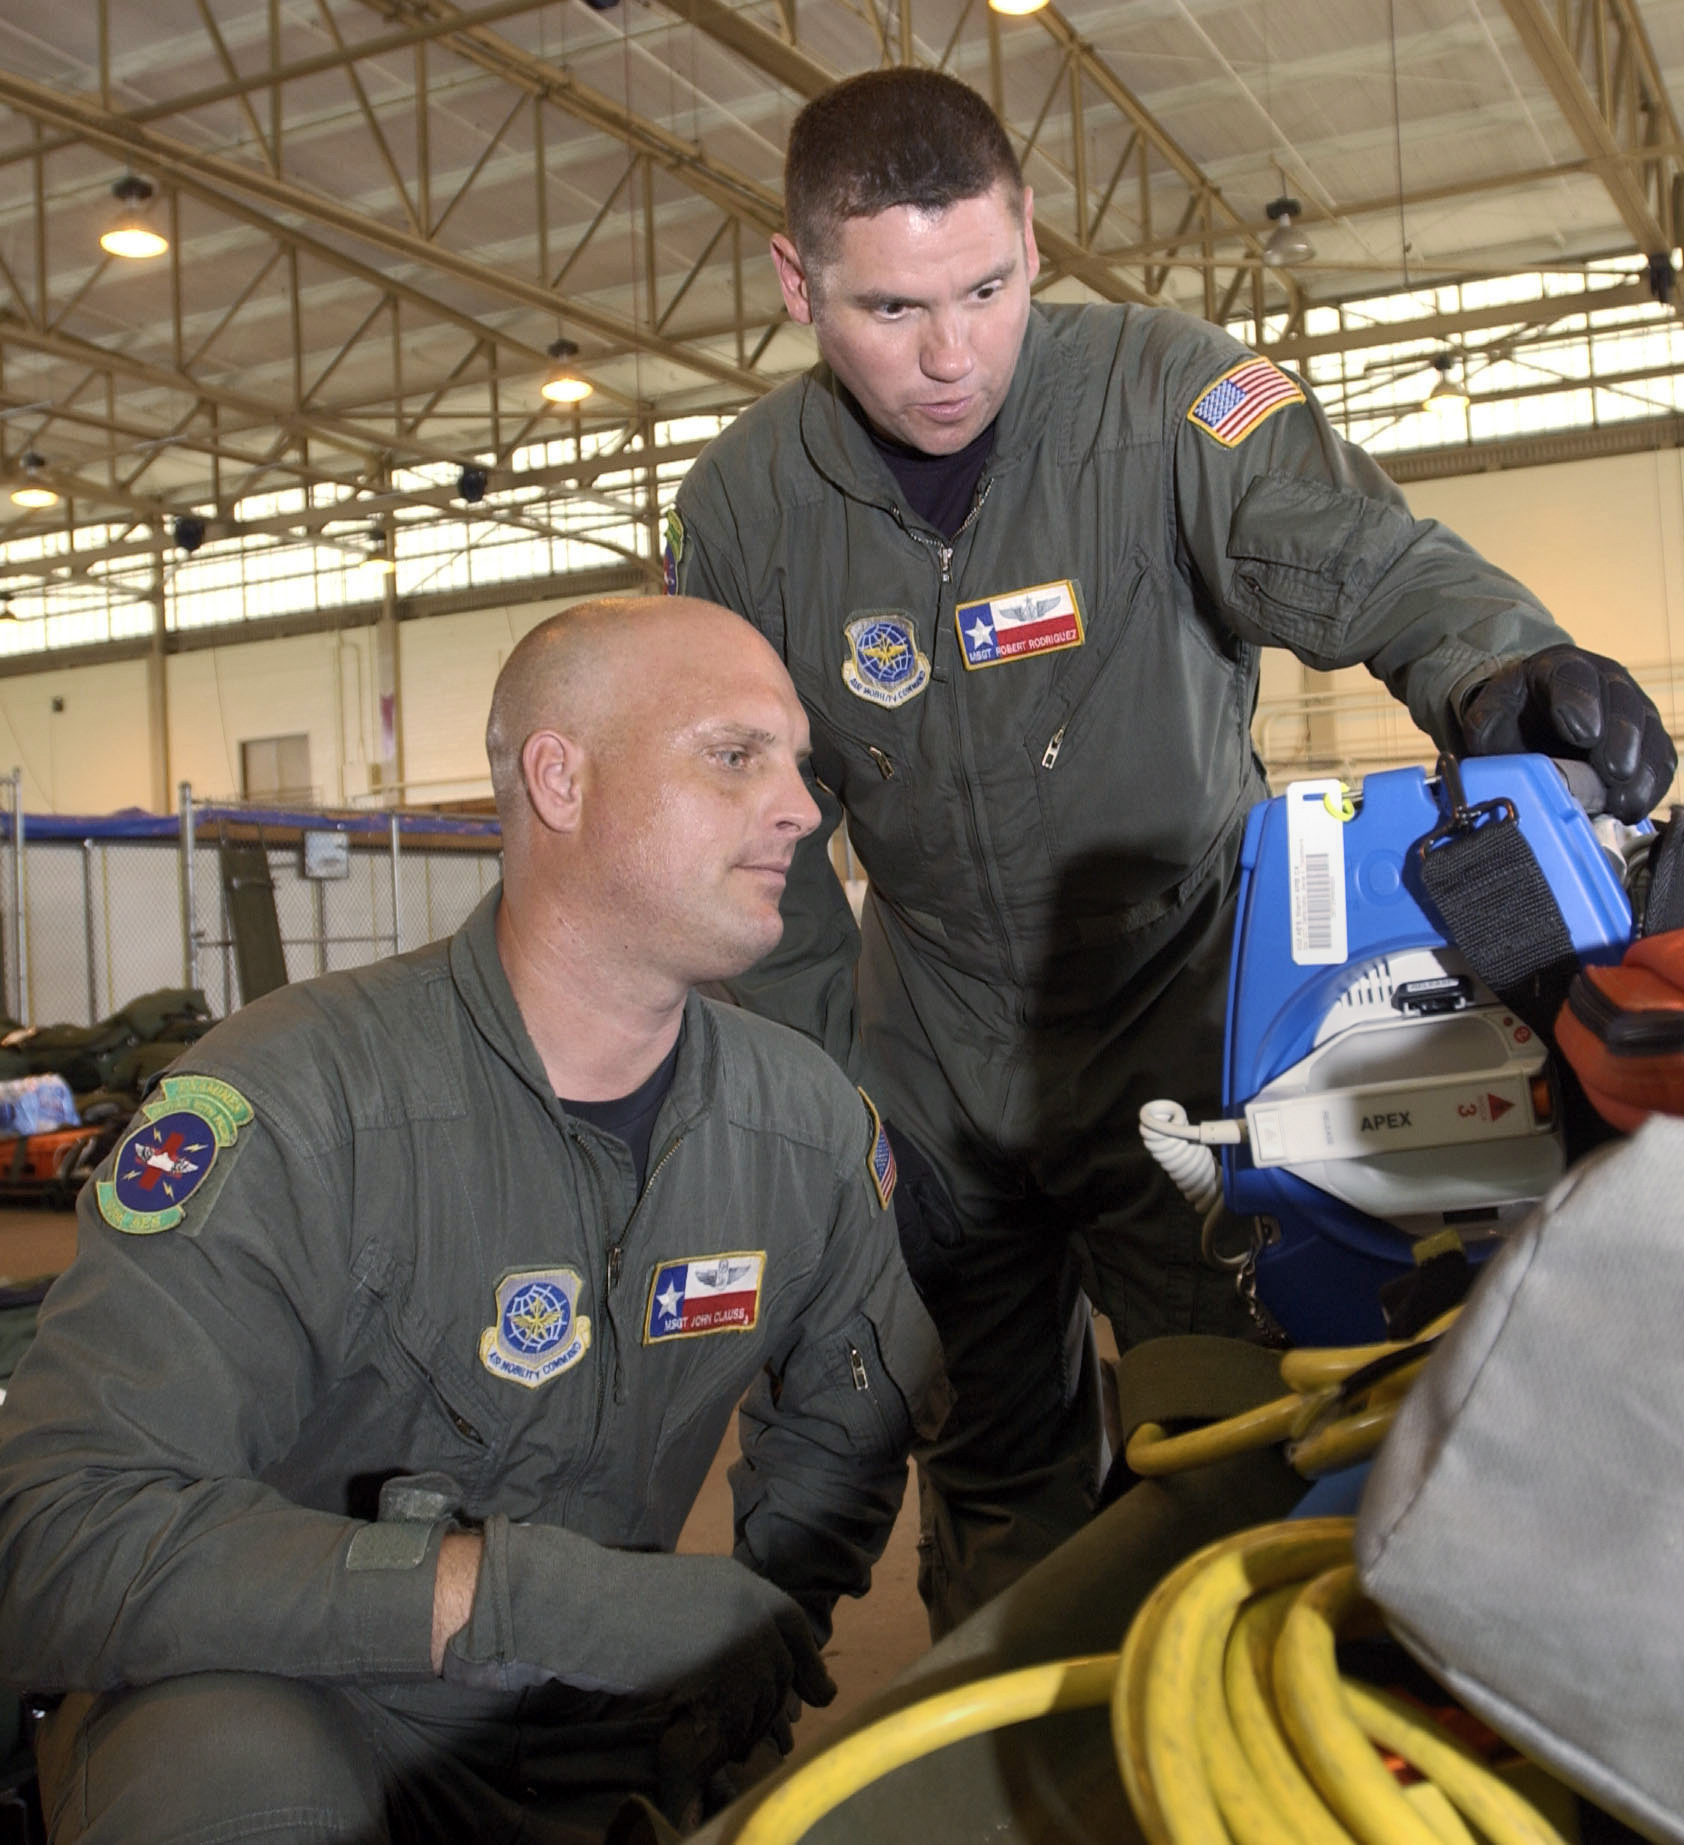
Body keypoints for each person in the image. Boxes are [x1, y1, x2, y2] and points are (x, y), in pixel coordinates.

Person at [666, 66, 1677, 1637]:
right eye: (890, 309)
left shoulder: (1171, 398)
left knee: (1231, 1458)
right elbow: (756, 852)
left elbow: (1366, 558)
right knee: (992, 1485)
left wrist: (1499, 668)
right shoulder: (743, 509)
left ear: (1032, 238)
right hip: (926, 1069)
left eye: (986, 288)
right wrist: (823, 1107)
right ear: (799, 284)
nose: (950, 355)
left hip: (1188, 1038)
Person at [0, 596, 946, 1845]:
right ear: (559, 779)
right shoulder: (294, 1104)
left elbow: (852, 1416)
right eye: (734, 757)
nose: (802, 809)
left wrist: (760, 1628)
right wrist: (515, 1600)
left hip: (599, 1726)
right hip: (304, 1696)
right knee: (226, 1779)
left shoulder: (804, 1124)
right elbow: (56, 1535)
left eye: (798, 764)